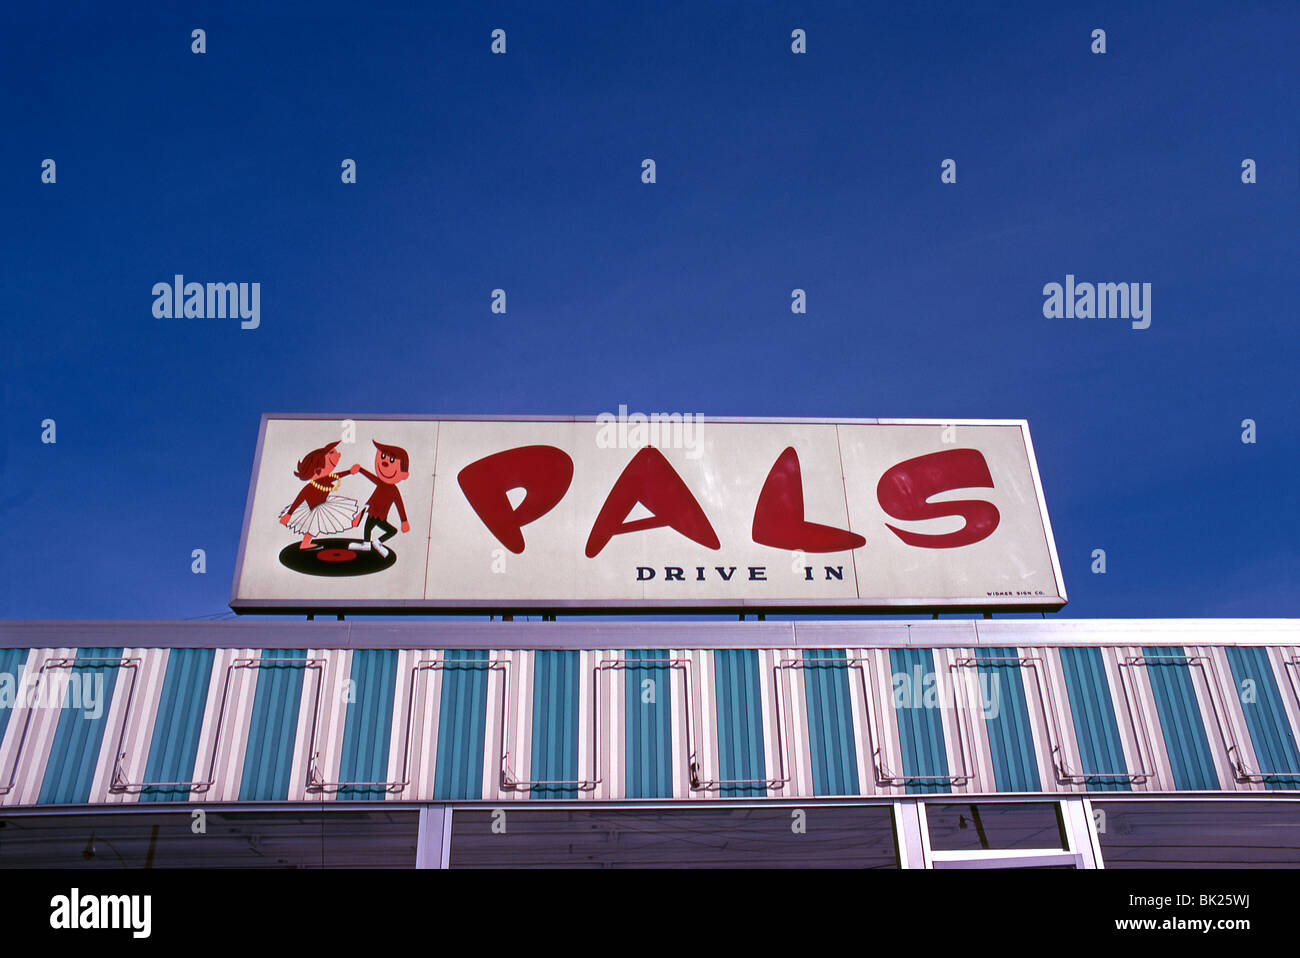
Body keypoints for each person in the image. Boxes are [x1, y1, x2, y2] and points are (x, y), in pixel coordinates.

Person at [279, 441, 361, 549]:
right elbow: (299, 498)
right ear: (318, 467)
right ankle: (305, 543)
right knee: (314, 524)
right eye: (332, 453)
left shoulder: (325, 479)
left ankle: (352, 523)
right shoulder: (310, 487)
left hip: (322, 504)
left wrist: (350, 471)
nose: (338, 455)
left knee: (328, 518)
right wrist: (289, 513)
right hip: (313, 509)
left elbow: (335, 476)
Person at [350, 440, 410, 558]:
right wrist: (360, 469)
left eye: (392, 460)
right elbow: (371, 477)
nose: (385, 463)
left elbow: (399, 504)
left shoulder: (394, 490)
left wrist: (404, 520)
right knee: (368, 527)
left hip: (380, 515)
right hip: (372, 511)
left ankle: (376, 542)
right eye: (383, 456)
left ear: (403, 475)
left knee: (391, 530)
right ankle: (367, 544)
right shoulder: (381, 483)